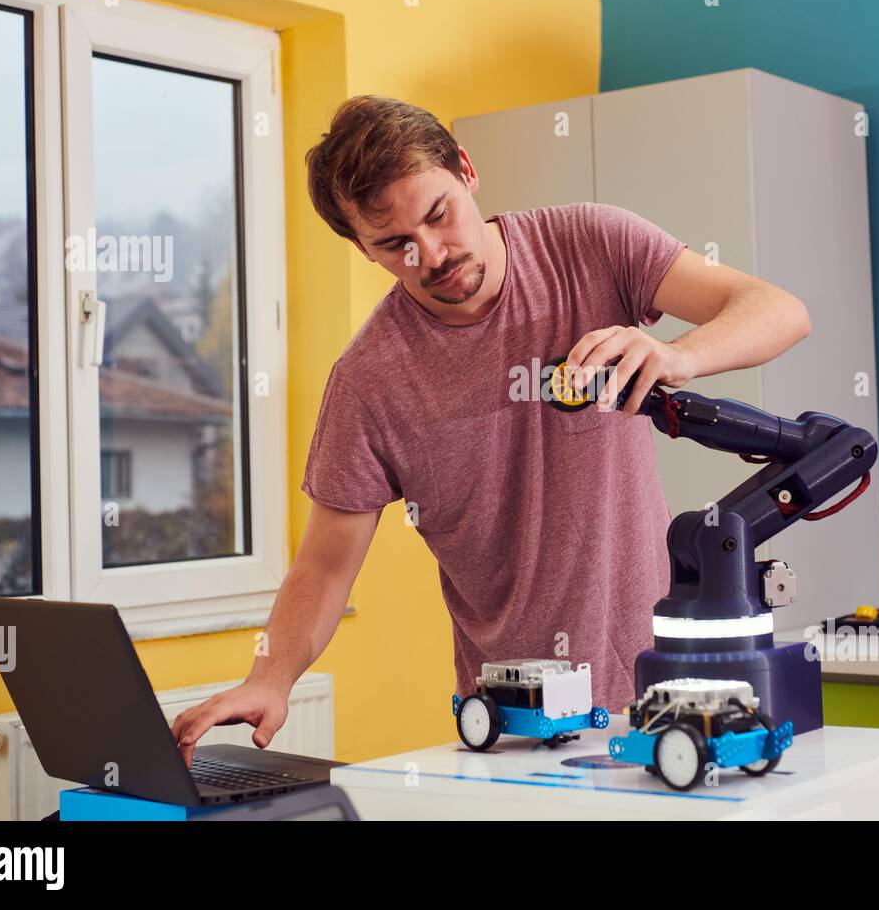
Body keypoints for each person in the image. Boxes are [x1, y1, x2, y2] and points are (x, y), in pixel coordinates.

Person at [171, 95, 810, 765]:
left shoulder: (590, 244)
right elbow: (325, 565)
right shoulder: (369, 380)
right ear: (363, 249)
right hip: (513, 726)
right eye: (395, 245)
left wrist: (681, 356)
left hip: (660, 693)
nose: (432, 254)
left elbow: (778, 310)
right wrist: (270, 679)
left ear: (466, 170)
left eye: (438, 214)